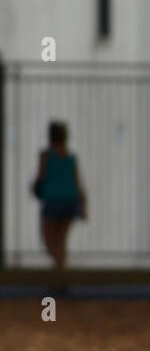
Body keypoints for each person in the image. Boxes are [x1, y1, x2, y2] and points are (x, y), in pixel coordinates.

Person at [32, 121, 86, 293]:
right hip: (70, 201)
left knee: (49, 242)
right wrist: (83, 205)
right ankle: (61, 279)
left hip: (53, 201)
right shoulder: (71, 157)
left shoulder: (45, 156)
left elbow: (40, 177)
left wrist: (36, 189)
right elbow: (78, 183)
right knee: (61, 242)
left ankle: (60, 275)